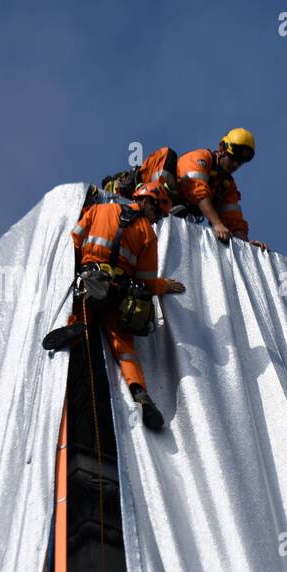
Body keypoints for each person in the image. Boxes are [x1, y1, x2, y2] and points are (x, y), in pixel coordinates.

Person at [43, 181, 185, 431]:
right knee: (125, 348)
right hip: (119, 293)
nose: (157, 221)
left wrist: (79, 268)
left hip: (90, 282)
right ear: (147, 201)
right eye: (157, 214)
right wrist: (166, 286)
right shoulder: (147, 234)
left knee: (81, 312)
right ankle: (139, 392)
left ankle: (78, 327)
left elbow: (74, 241)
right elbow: (146, 281)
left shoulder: (99, 210)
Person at [175, 129, 268, 251]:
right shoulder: (199, 158)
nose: (235, 165)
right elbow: (198, 191)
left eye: (240, 162)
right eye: (232, 158)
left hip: (185, 217)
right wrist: (217, 224)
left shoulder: (227, 185)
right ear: (222, 148)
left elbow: (233, 220)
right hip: (165, 203)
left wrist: (246, 247)